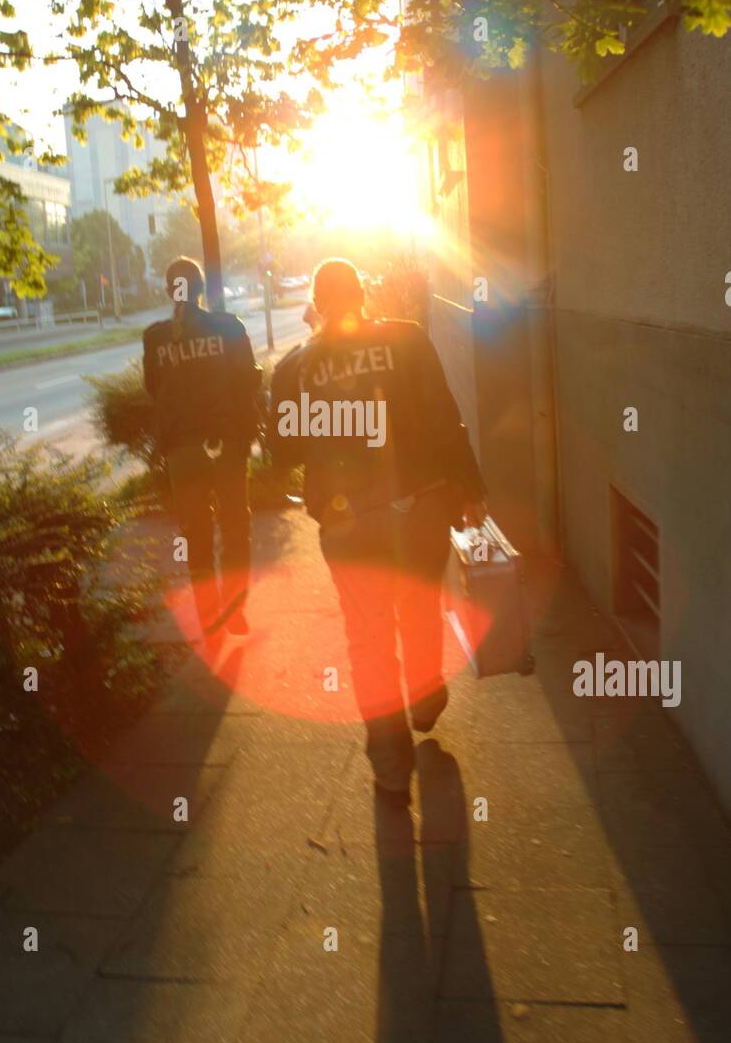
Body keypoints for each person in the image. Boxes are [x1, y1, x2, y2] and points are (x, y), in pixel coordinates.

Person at [270, 257, 487, 805]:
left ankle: (391, 766)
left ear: (316, 306)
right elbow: (444, 417)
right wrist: (470, 490)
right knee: (417, 607)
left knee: (366, 639)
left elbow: (283, 452)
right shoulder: (408, 340)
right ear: (363, 295)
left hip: (347, 523)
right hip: (418, 510)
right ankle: (425, 693)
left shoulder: (296, 366)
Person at [143, 257, 261, 637]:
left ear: (168, 291)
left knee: (195, 532)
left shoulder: (155, 338)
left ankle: (208, 614)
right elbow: (249, 381)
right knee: (234, 526)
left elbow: (153, 388)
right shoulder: (228, 327)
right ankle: (235, 609)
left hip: (181, 451)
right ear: (201, 289)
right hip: (226, 445)